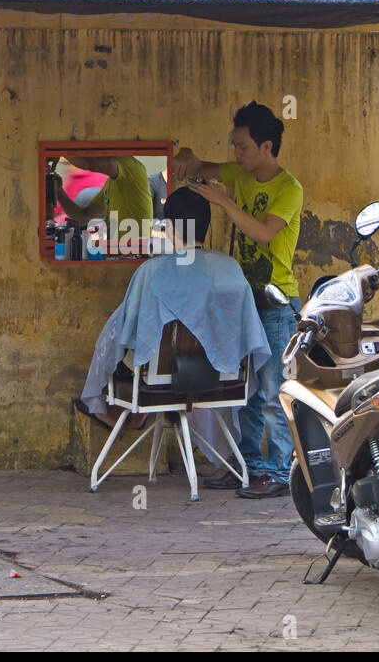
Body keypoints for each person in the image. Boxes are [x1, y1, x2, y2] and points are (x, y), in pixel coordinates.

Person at [171, 101, 303, 499]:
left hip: (278, 305)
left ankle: (279, 472)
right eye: (233, 145)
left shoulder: (288, 189)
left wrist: (225, 202)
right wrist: (188, 159)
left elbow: (264, 234)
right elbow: (202, 169)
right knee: (247, 391)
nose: (236, 153)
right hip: (245, 302)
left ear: (266, 146)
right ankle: (248, 465)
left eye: (242, 146)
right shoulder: (236, 171)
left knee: (275, 393)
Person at [78, 188, 270, 447]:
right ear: (205, 225)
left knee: (112, 345)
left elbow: (122, 332)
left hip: (158, 383)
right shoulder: (229, 268)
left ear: (168, 227)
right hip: (221, 379)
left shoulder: (152, 272)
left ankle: (117, 412)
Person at [55, 155, 151, 235]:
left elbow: (91, 164)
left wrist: (61, 151)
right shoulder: (110, 184)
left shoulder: (132, 166)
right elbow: (83, 216)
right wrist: (58, 190)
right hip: (118, 252)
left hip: (136, 253)